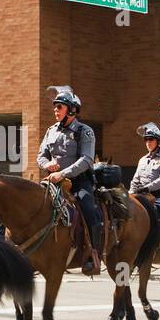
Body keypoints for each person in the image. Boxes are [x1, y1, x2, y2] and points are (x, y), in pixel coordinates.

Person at [37, 85, 103, 275]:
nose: (55, 110)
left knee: (89, 208)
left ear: (72, 110)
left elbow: (87, 160)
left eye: (59, 107)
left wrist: (63, 173)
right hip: (52, 179)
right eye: (55, 107)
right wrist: (47, 164)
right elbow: (40, 156)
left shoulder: (85, 131)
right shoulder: (51, 130)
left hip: (79, 181)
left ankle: (93, 253)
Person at [129, 122, 160, 256]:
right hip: (141, 194)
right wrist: (130, 193)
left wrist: (147, 188)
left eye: (151, 139)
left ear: (159, 141)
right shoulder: (142, 160)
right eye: (146, 139)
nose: (148, 142)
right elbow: (135, 179)